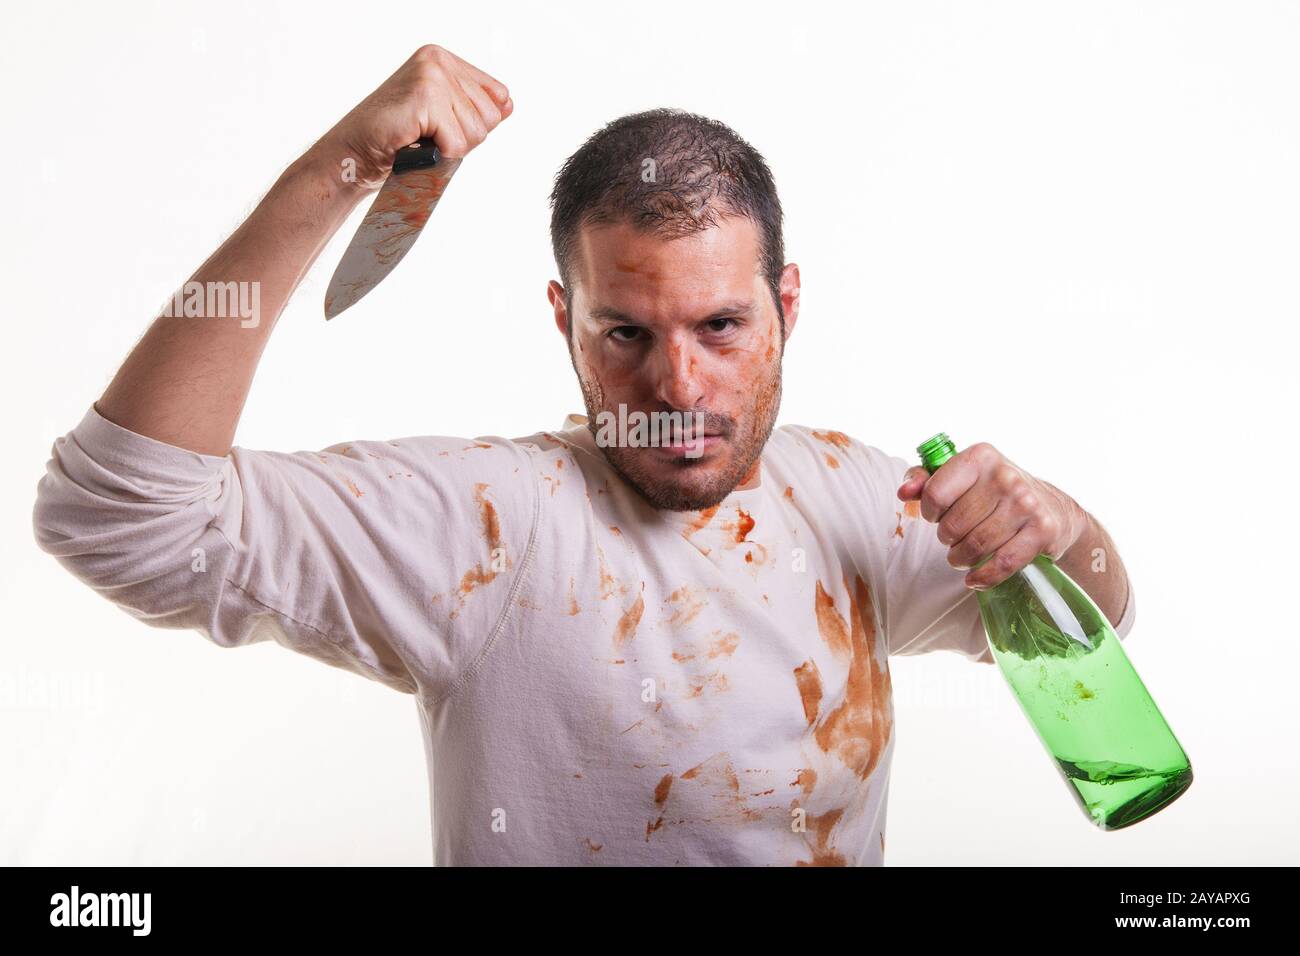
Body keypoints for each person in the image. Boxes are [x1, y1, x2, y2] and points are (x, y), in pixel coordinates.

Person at [32, 45, 1134, 866]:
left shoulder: (849, 490)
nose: (677, 388)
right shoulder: (490, 523)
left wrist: (1060, 528)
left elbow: (1101, 628)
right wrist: (340, 167)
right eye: (625, 334)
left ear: (785, 304)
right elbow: (121, 518)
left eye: (720, 327)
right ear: (563, 318)